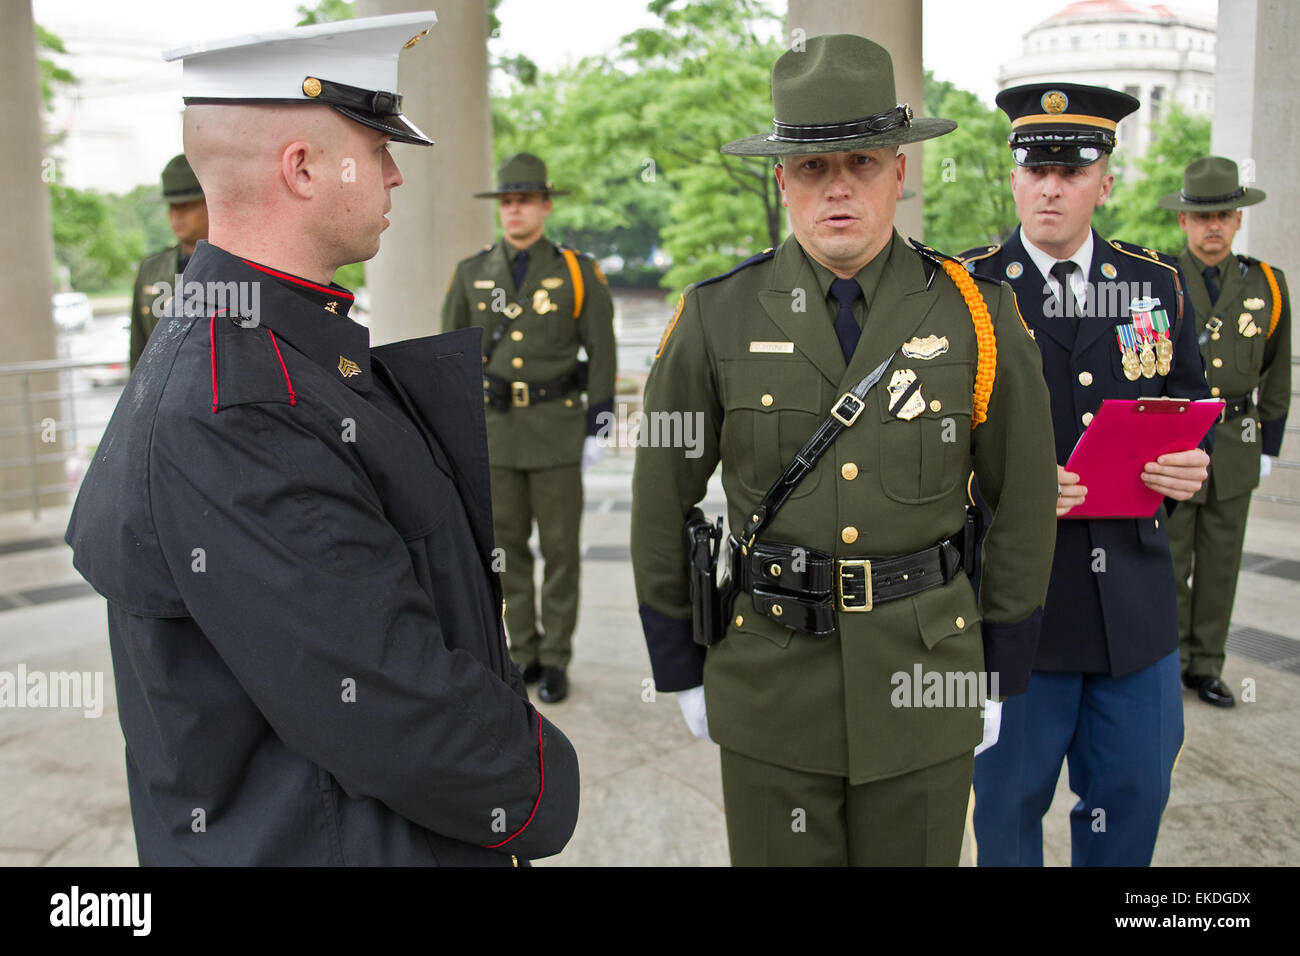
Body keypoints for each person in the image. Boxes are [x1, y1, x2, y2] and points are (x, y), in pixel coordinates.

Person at [64, 12, 579, 866]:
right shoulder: (240, 406)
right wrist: (540, 785)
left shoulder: (263, 348)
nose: (393, 175)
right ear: (301, 169)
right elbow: (392, 704)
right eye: (376, 149)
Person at [631, 34, 1059, 866]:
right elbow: (660, 498)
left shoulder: (976, 314)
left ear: (900, 172)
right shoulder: (716, 315)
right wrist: (678, 661)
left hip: (927, 676)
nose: (837, 188)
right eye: (813, 167)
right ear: (781, 178)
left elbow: (1023, 498)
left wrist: (1001, 661)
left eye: (860, 162)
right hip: (768, 680)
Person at [960, 82, 1211, 866]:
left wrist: (1191, 466)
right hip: (1017, 609)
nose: (1050, 188)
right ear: (1013, 178)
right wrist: (999, 487)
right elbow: (927, 443)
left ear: (1106, 180)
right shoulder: (966, 290)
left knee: (1137, 793)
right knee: (1008, 807)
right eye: (1035, 169)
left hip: (1132, 607)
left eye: (1072, 172)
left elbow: (1188, 404)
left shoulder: (1157, 284)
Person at [442, 153, 616, 704]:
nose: (514, 210)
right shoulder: (471, 273)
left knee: (561, 549)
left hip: (556, 429)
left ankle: (558, 655)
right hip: (495, 431)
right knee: (507, 550)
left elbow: (604, 351)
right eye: (507, 202)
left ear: (545, 205)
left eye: (524, 200)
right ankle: (524, 651)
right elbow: (451, 355)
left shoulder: (575, 270)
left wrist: (599, 425)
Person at [1159, 156, 1291, 708]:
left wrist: (1271, 445)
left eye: (1225, 214)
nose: (1213, 225)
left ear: (1239, 221)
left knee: (1221, 562)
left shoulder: (1268, 285)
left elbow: (1277, 370)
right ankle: (1163, 662)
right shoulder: (1159, 278)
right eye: (1202, 215)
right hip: (1176, 443)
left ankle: (1206, 665)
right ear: (1184, 222)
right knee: (1168, 559)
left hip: (1235, 442)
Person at [129, 153, 208, 369]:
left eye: (186, 205)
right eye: (171, 206)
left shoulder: (237, 264)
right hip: (164, 398)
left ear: (210, 202)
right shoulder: (151, 269)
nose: (176, 214)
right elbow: (138, 348)